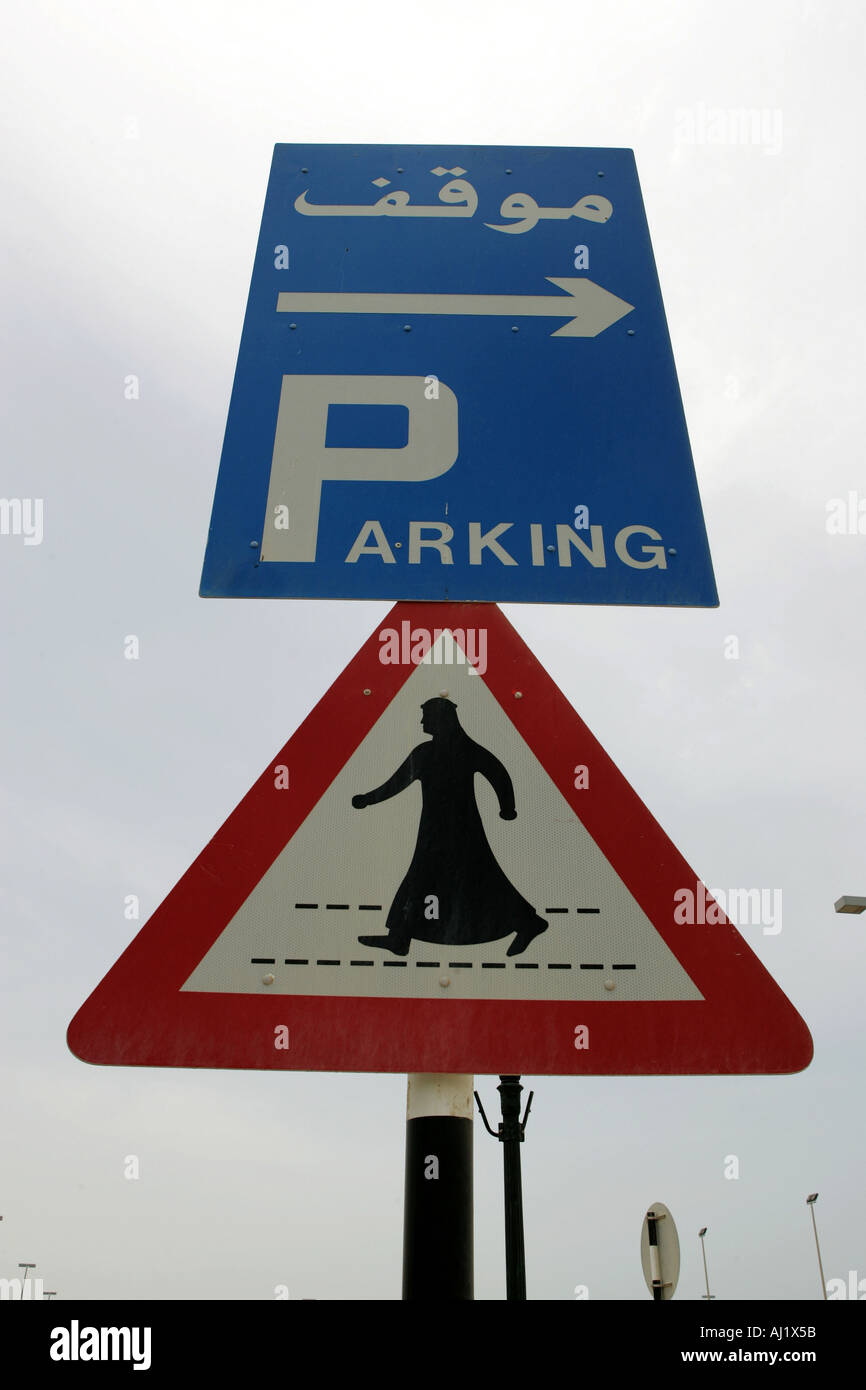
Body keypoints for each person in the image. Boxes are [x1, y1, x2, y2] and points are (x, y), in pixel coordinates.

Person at [352, 697, 547, 957]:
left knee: (481, 878)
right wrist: (368, 799)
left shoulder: (465, 749)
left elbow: (497, 773)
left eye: (426, 716)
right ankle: (399, 938)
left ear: (441, 719)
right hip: (433, 830)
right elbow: (397, 783)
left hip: (464, 829)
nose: (422, 721)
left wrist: (507, 808)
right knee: (421, 879)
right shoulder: (424, 753)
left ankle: (530, 922)